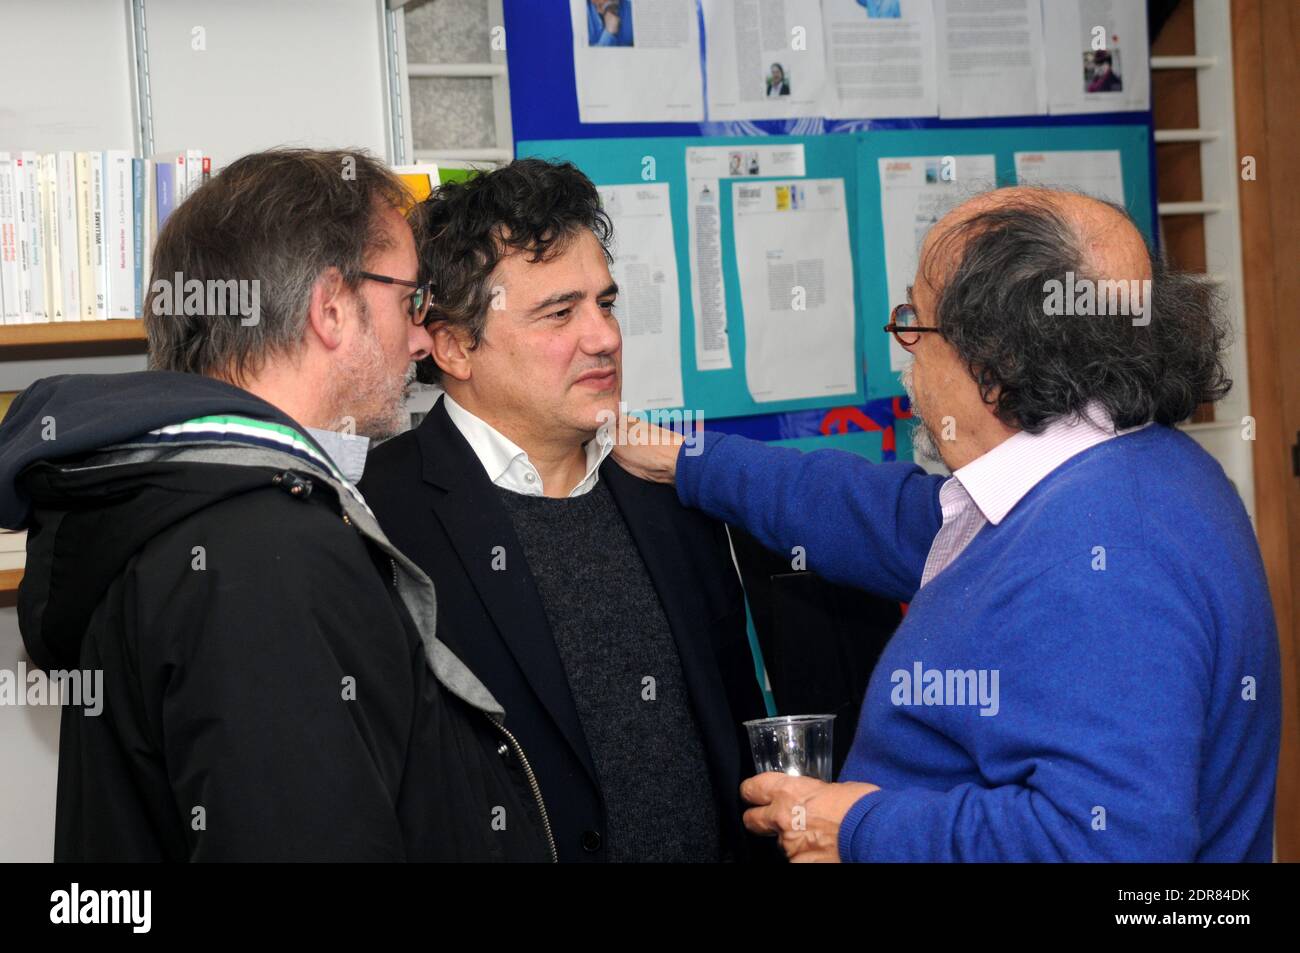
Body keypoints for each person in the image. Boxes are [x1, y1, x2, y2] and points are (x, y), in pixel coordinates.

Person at [612, 186, 1281, 862]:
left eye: (916, 323)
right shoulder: (1126, 472)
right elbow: (891, 518)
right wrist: (688, 458)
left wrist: (859, 827)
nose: (906, 355)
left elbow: (1108, 845)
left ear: (992, 364)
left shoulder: (1100, 559)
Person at [0, 149, 552, 862]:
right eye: (410, 300)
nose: (421, 337)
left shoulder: (200, 508)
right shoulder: (260, 555)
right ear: (330, 307)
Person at [359, 158, 767, 863]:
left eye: (604, 303)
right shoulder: (379, 521)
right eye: (559, 313)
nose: (604, 337)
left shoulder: (669, 486)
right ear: (455, 345)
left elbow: (735, 737)